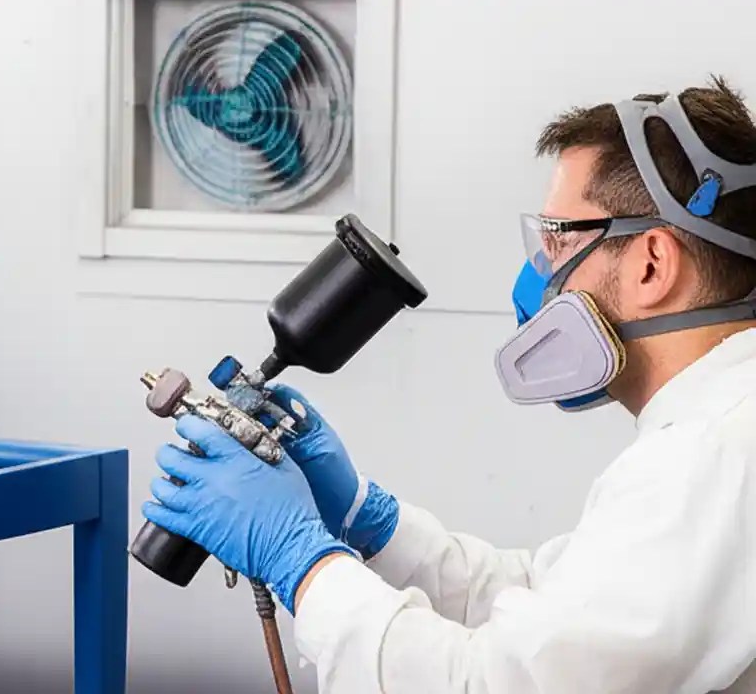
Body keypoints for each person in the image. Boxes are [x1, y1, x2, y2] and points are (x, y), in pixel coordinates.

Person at [143, 77, 756, 693]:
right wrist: (365, 517)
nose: (538, 276)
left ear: (651, 264)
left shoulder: (708, 457)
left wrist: (300, 563)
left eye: (559, 240)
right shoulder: (715, 428)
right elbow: (548, 613)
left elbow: (489, 684)